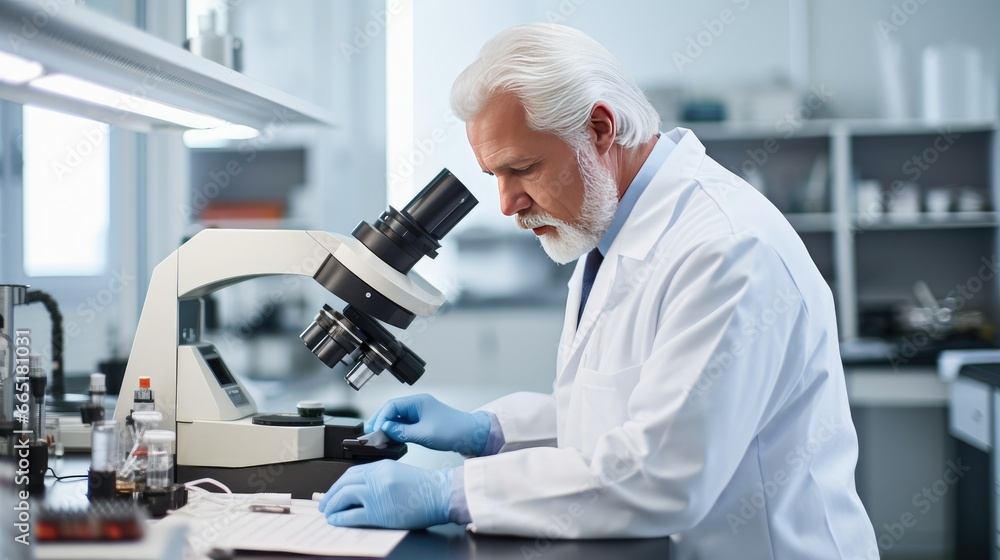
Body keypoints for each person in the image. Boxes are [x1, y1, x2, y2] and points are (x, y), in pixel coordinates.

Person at [319, 23, 878, 558]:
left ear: (600, 129)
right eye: (495, 175)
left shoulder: (727, 251)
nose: (507, 203)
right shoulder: (606, 234)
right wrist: (490, 431)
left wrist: (450, 493)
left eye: (525, 168)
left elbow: (661, 474)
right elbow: (617, 418)